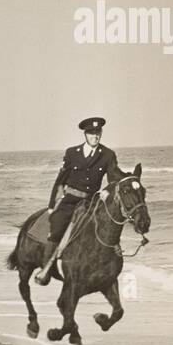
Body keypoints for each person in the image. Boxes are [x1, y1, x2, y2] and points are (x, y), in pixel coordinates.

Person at [34, 116, 127, 286]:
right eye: (92, 133)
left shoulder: (108, 154)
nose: (95, 136)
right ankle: (47, 269)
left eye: (98, 132)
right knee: (56, 226)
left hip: (91, 202)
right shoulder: (72, 153)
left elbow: (113, 177)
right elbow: (60, 179)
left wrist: (107, 190)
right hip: (69, 200)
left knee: (105, 226)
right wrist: (51, 205)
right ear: (85, 134)